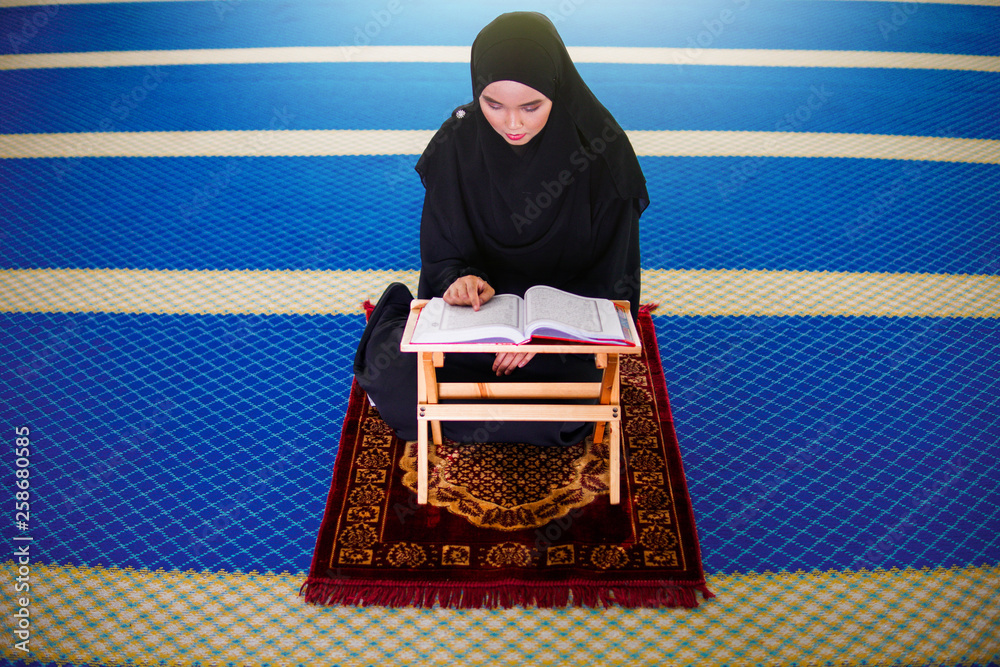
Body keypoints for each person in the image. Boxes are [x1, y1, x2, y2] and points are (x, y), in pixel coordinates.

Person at [354, 11, 648, 446]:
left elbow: (614, 280)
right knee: (393, 362)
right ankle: (516, 413)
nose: (513, 124)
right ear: (477, 91)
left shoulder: (601, 154)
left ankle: (463, 414)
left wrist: (547, 336)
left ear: (556, 90)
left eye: (531, 107)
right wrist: (458, 281)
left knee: (571, 389)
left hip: (561, 335)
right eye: (494, 105)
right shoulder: (457, 142)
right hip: (476, 324)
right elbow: (441, 252)